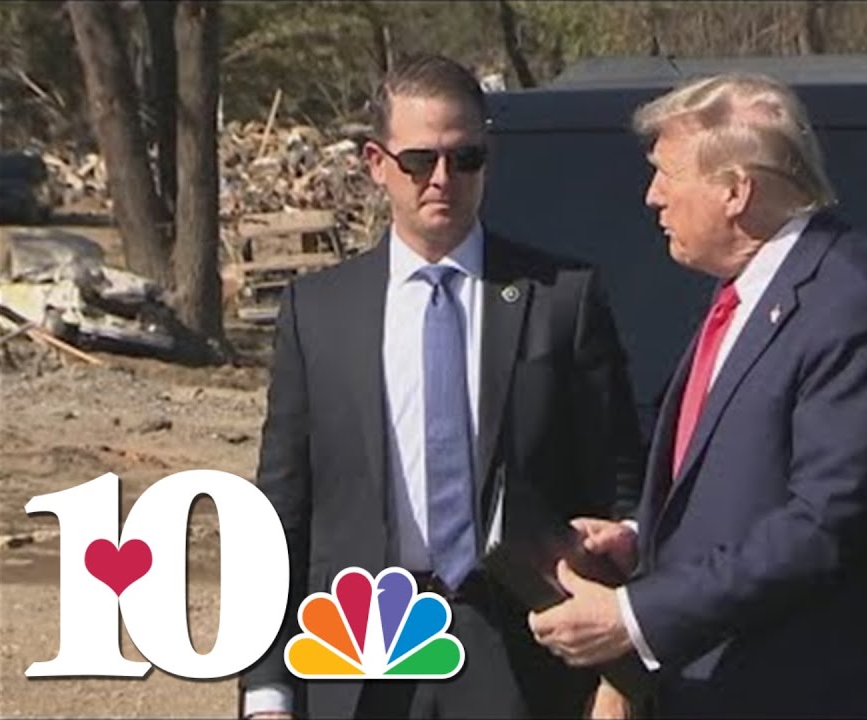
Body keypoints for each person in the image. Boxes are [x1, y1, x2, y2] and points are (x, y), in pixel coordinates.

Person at [239, 53, 645, 719]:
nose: (442, 180)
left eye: (466, 159)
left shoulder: (560, 299)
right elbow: (283, 511)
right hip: (359, 647)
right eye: (419, 160)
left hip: (522, 655)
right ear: (376, 164)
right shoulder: (318, 314)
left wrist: (621, 676)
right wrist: (267, 687)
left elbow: (619, 491)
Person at [527, 73, 867, 718]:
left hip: (797, 691)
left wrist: (636, 616)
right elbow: (739, 478)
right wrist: (644, 538)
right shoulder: (748, 292)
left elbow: (823, 525)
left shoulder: (856, 305)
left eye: (667, 174)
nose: (651, 196)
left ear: (734, 191)